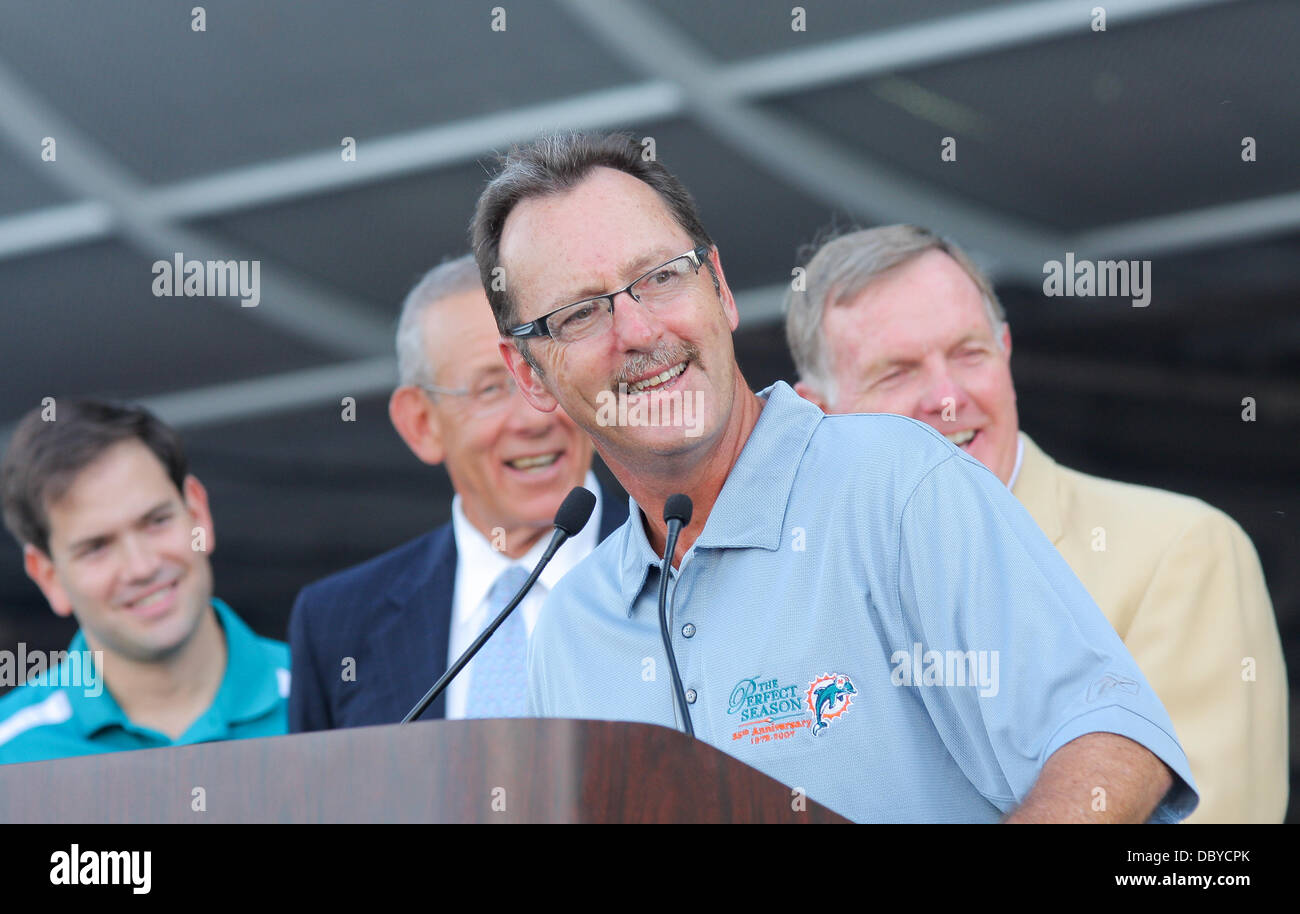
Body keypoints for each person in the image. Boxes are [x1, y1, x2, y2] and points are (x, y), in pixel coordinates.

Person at [473, 131, 1200, 823]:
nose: (638, 331)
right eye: (579, 314)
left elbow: (1114, 745)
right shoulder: (569, 631)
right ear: (529, 374)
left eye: (661, 277)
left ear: (719, 287)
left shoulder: (899, 486)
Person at [785, 224, 1288, 823]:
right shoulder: (794, 599)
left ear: (1006, 350)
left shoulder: (1183, 548)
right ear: (817, 413)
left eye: (970, 353)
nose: (946, 397)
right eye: (897, 372)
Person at [288, 255, 627, 729]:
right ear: (422, 424)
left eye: (543, 372)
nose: (534, 418)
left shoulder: (676, 562)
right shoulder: (337, 623)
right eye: (491, 389)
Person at [0, 400, 289, 764]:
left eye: (156, 521)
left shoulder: (333, 701)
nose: (141, 567)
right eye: (96, 547)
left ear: (198, 515)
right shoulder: (9, 753)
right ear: (49, 577)